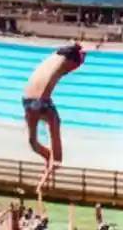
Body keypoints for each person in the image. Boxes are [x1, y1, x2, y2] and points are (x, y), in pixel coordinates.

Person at [22, 40, 100, 193]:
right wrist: (41, 101)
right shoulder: (62, 65)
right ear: (72, 61)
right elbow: (51, 79)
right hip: (40, 101)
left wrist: (81, 46)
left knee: (33, 142)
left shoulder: (55, 56)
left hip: (26, 100)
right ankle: (44, 182)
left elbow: (73, 46)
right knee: (56, 135)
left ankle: (48, 160)